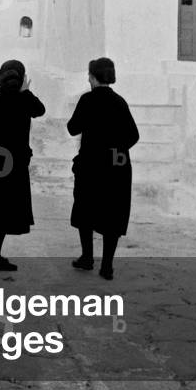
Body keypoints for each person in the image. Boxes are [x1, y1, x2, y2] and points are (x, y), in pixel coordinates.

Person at [67, 57, 139, 280]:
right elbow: (133, 135)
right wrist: (115, 147)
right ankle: (107, 266)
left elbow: (72, 128)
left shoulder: (87, 100)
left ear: (93, 77)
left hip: (91, 165)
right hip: (117, 166)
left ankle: (87, 257)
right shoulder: (120, 102)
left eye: (89, 75)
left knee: (85, 210)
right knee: (112, 215)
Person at [0, 59, 46, 271]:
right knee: (5, 209)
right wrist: (26, 92)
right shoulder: (24, 100)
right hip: (14, 162)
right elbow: (40, 110)